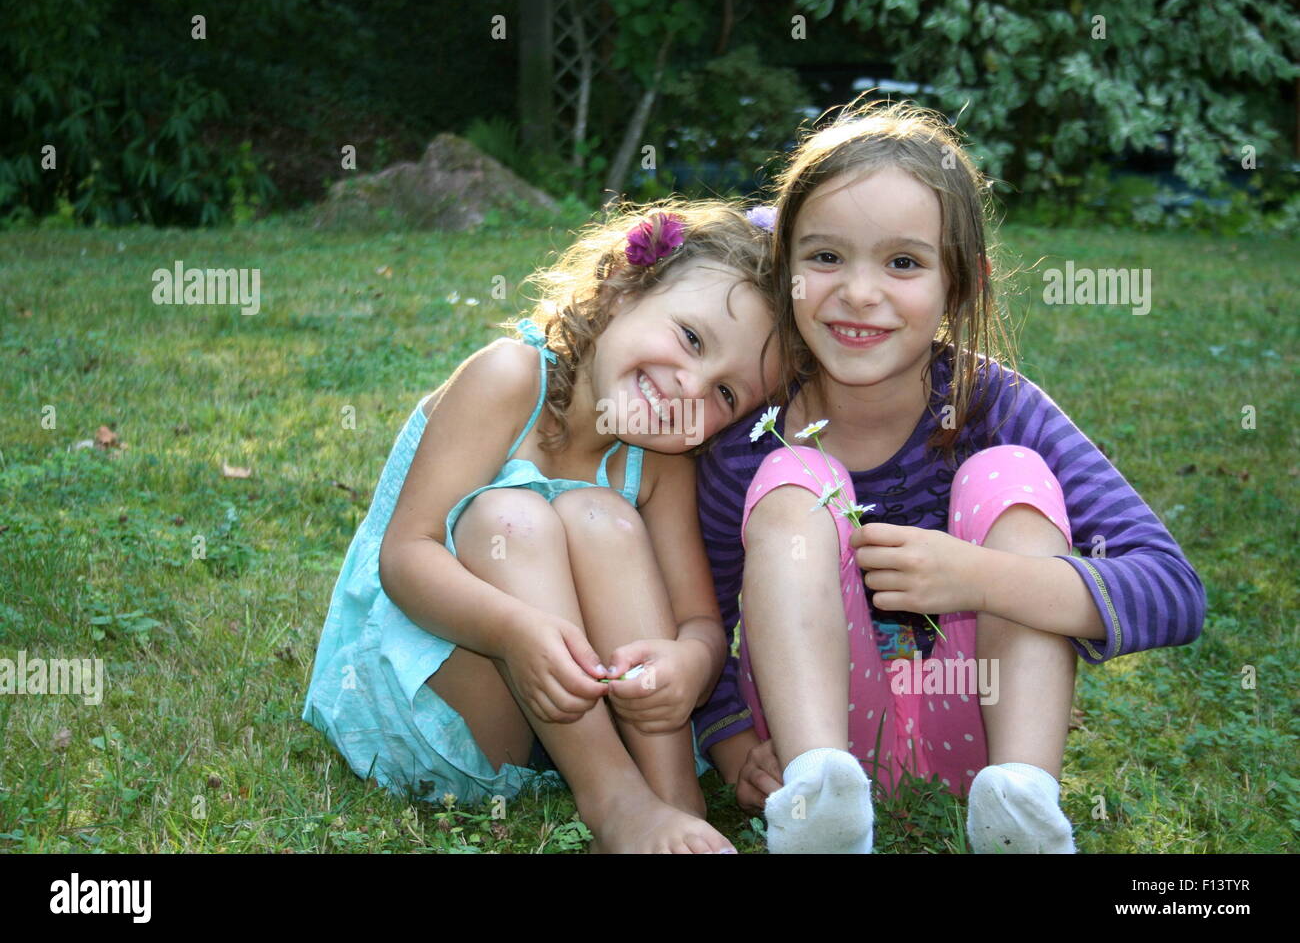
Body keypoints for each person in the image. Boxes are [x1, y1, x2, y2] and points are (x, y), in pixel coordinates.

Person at [691, 101, 1206, 853]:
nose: (859, 293)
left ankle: (1023, 806)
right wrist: (734, 746)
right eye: (825, 257)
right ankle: (820, 803)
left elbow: (1171, 589)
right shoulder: (748, 442)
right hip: (820, 733)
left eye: (903, 262)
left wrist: (978, 579)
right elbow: (699, 625)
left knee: (1011, 474)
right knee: (793, 475)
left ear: (961, 286)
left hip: (979, 726)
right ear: (785, 272)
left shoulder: (997, 405)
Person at [301, 200, 785, 854]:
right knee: (512, 517)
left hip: (569, 718)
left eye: (727, 394)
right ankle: (615, 802)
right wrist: (515, 632)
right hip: (447, 701)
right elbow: (405, 557)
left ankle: (672, 797)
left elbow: (700, 620)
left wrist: (690, 662)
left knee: (598, 514)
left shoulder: (663, 461)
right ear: (623, 288)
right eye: (692, 339)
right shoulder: (509, 377)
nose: (690, 386)